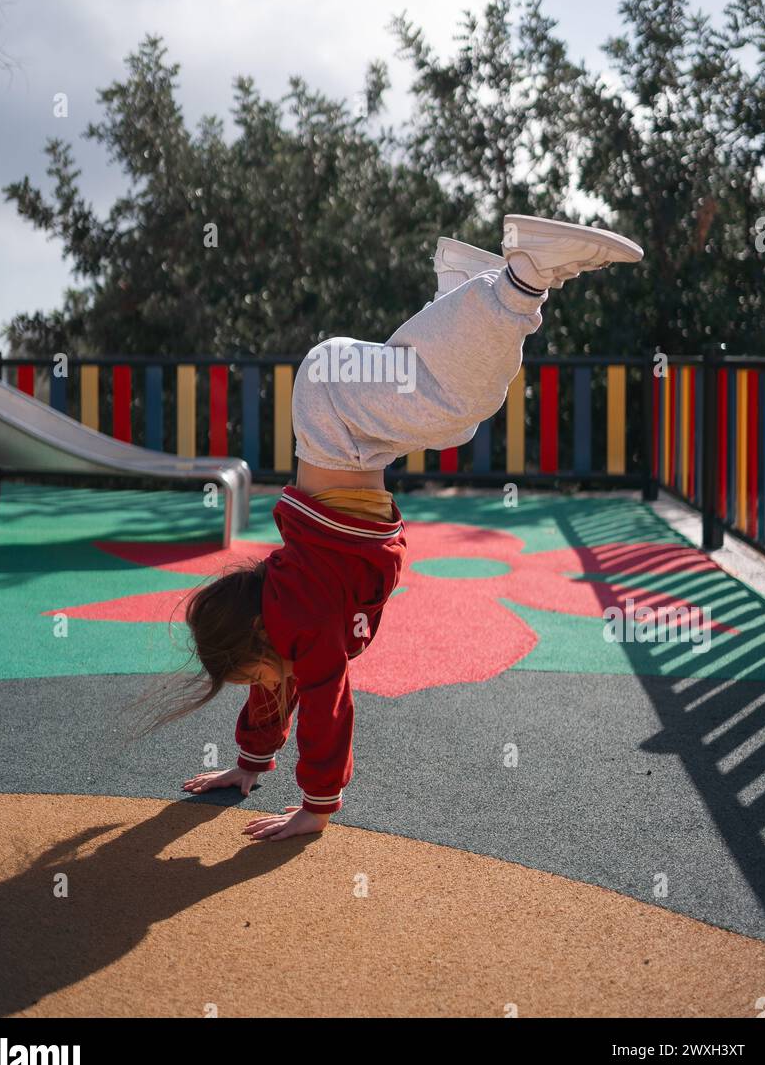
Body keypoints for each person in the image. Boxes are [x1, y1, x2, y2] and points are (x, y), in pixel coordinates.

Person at [152, 216, 642, 840]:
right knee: (451, 416)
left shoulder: (299, 620)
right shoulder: (282, 623)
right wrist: (246, 769)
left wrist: (317, 806)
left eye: (255, 675)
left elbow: (327, 704)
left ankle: (525, 275)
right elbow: (279, 696)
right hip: (347, 427)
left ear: (259, 635)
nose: (266, 688)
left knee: (454, 405)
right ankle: (470, 277)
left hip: (335, 408)